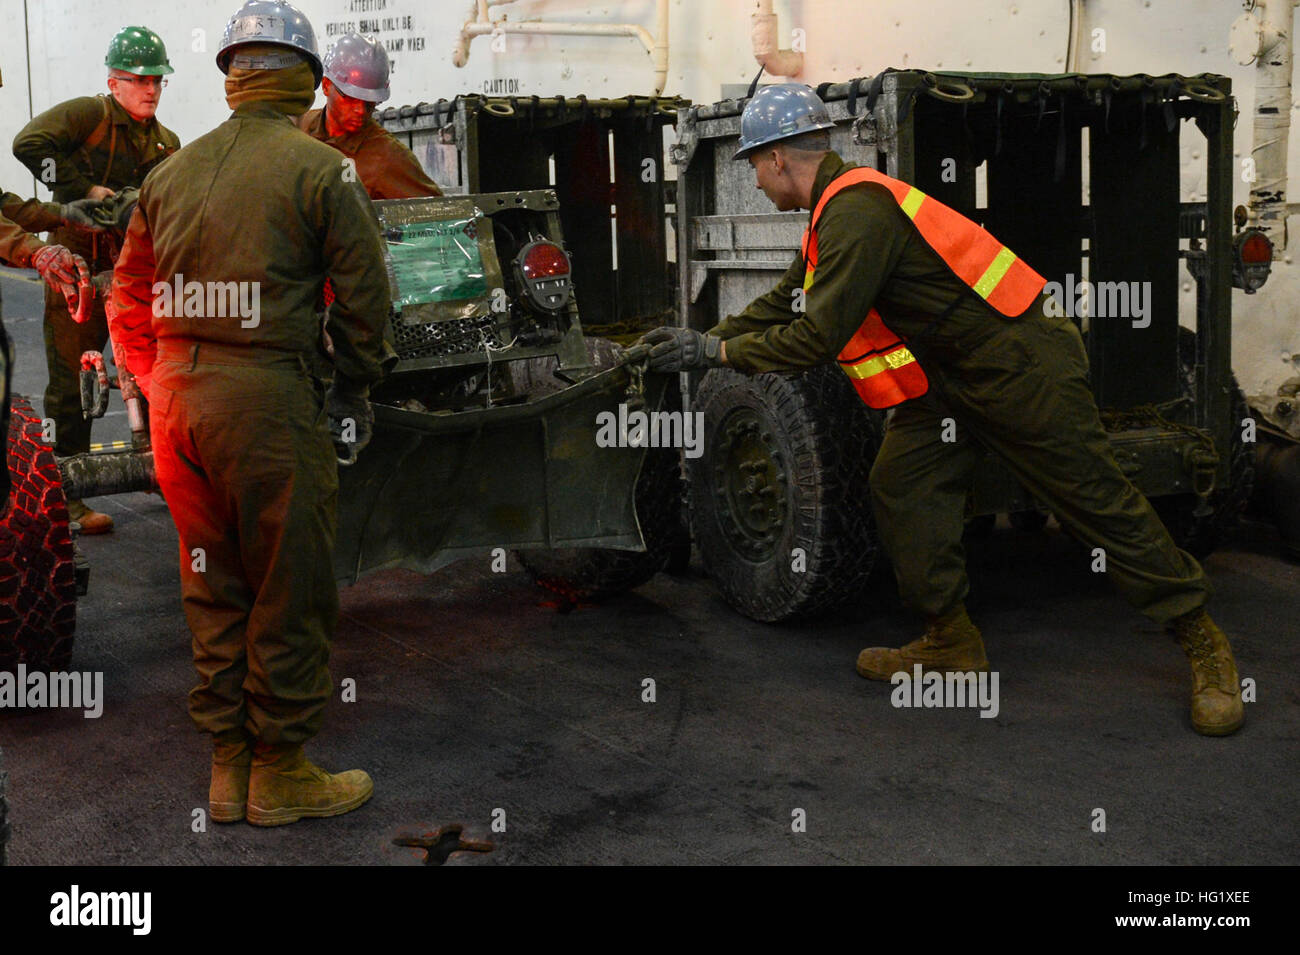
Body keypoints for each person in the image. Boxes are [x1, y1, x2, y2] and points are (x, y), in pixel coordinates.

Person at [640, 84, 1244, 737]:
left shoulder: (857, 212)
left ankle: (1204, 644)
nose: (756, 183)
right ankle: (950, 639)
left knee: (1096, 501)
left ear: (780, 159)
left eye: (755, 165)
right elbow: (789, 298)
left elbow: (815, 337)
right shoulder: (836, 214)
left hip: (1021, 363)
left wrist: (718, 350)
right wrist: (696, 339)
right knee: (903, 482)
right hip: (953, 377)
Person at [109, 0, 393, 825]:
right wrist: (356, 387)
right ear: (304, 75)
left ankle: (226, 768)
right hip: (267, 404)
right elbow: (367, 301)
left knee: (212, 582)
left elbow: (128, 286)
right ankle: (280, 770)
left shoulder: (170, 173)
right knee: (287, 584)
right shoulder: (320, 170)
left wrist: (152, 374)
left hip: (178, 407)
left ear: (231, 77)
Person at [12, 26, 181, 534]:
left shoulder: (164, 142)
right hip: (77, 261)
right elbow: (29, 144)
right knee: (70, 376)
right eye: (140, 80)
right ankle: (71, 492)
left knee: (154, 367)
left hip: (137, 268)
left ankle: (161, 470)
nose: (150, 89)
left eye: (158, 80)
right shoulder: (87, 116)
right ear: (114, 82)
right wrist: (81, 193)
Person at [296, 32, 442, 200]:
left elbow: (437, 213)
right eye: (350, 99)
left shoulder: (388, 156)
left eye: (370, 103)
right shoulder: (298, 131)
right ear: (327, 86)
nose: (360, 110)